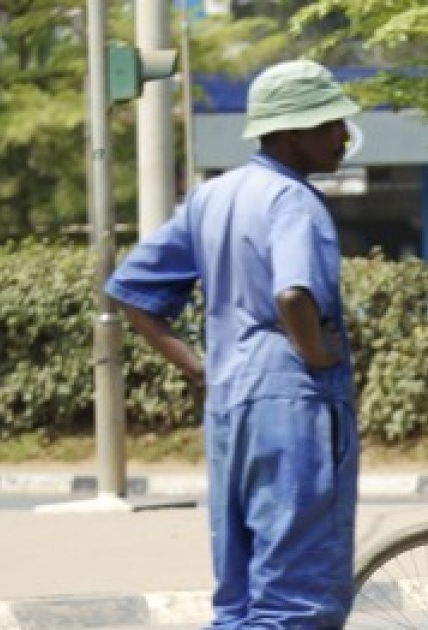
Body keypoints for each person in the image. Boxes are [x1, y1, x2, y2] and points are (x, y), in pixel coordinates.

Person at [105, 59, 361, 628]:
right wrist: (317, 352)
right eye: (330, 125)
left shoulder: (212, 196)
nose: (343, 137)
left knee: (239, 592)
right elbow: (294, 294)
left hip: (230, 401)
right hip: (295, 401)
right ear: (292, 132)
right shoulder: (294, 200)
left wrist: (198, 370)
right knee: (298, 590)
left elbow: (133, 293)